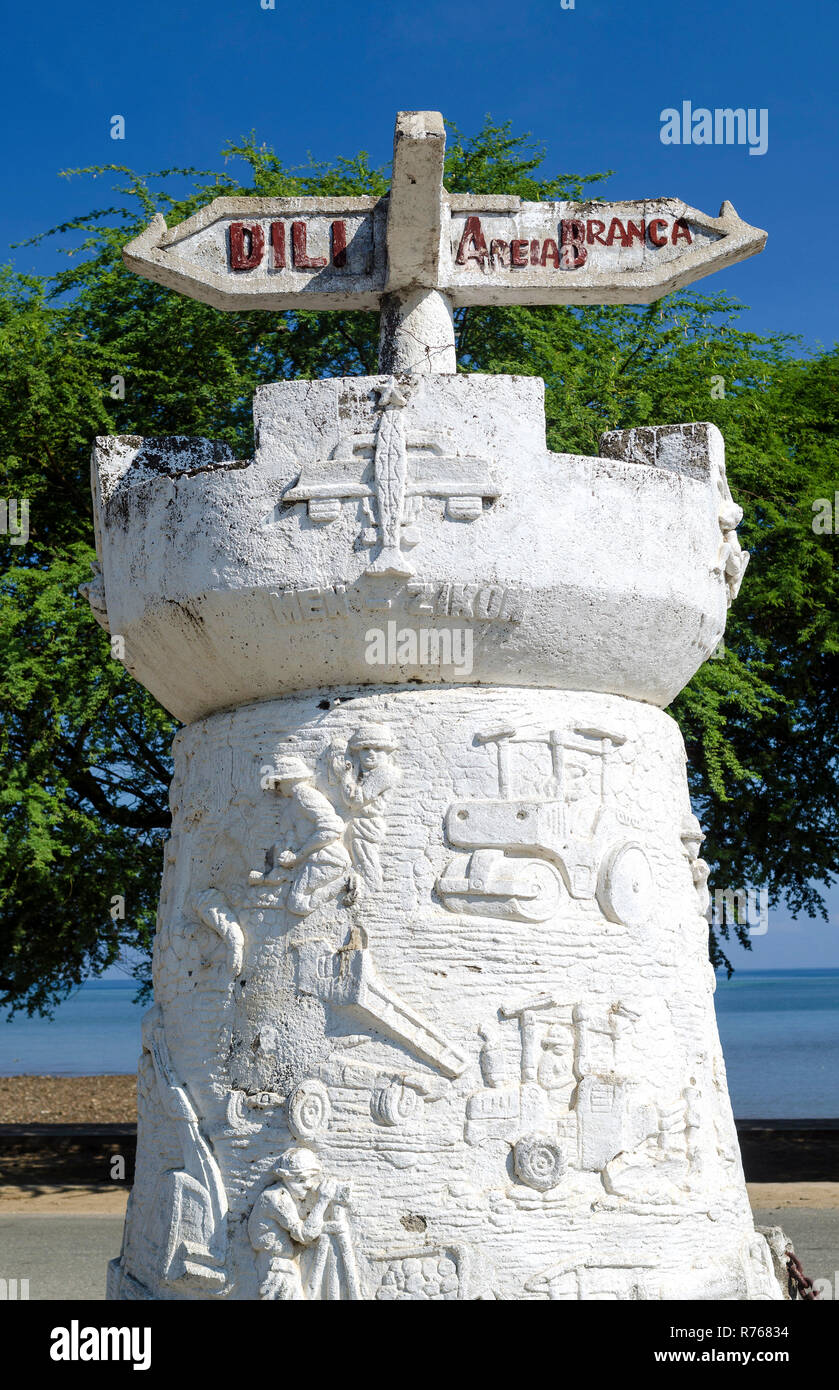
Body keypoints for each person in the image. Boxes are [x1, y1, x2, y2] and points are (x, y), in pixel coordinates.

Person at [248, 1147, 354, 1300]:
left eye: (311, 1178)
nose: (308, 1185)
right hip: (275, 1269)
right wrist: (323, 1200)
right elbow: (304, 1235)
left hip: (281, 1266)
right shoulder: (276, 1198)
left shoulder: (287, 1195)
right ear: (285, 1177)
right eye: (301, 1180)